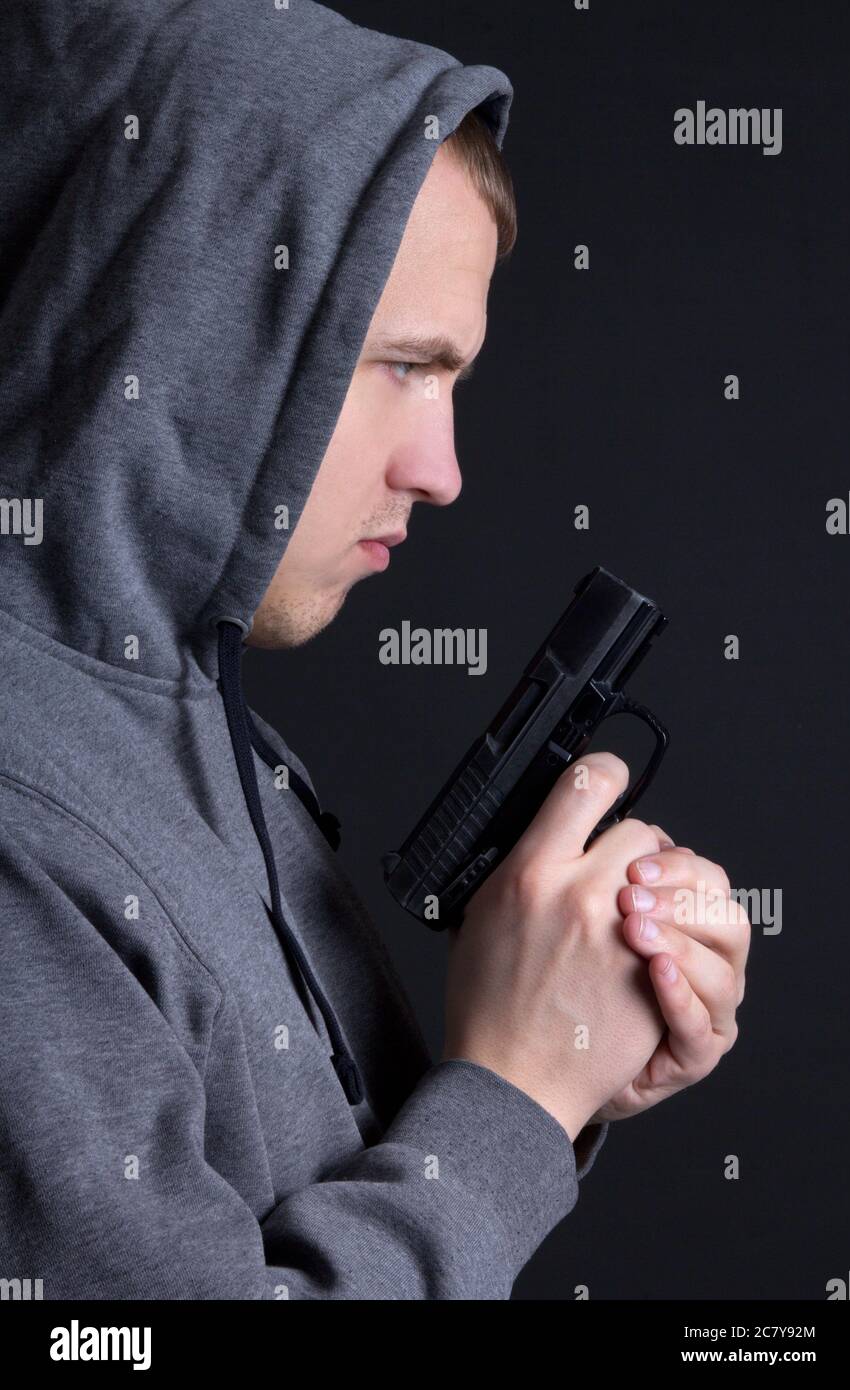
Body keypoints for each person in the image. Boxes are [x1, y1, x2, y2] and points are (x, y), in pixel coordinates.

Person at [0, 0, 748, 1300]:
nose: (443, 469)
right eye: (403, 364)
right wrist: (512, 1095)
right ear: (188, 320)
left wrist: (565, 1061)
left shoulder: (204, 729)